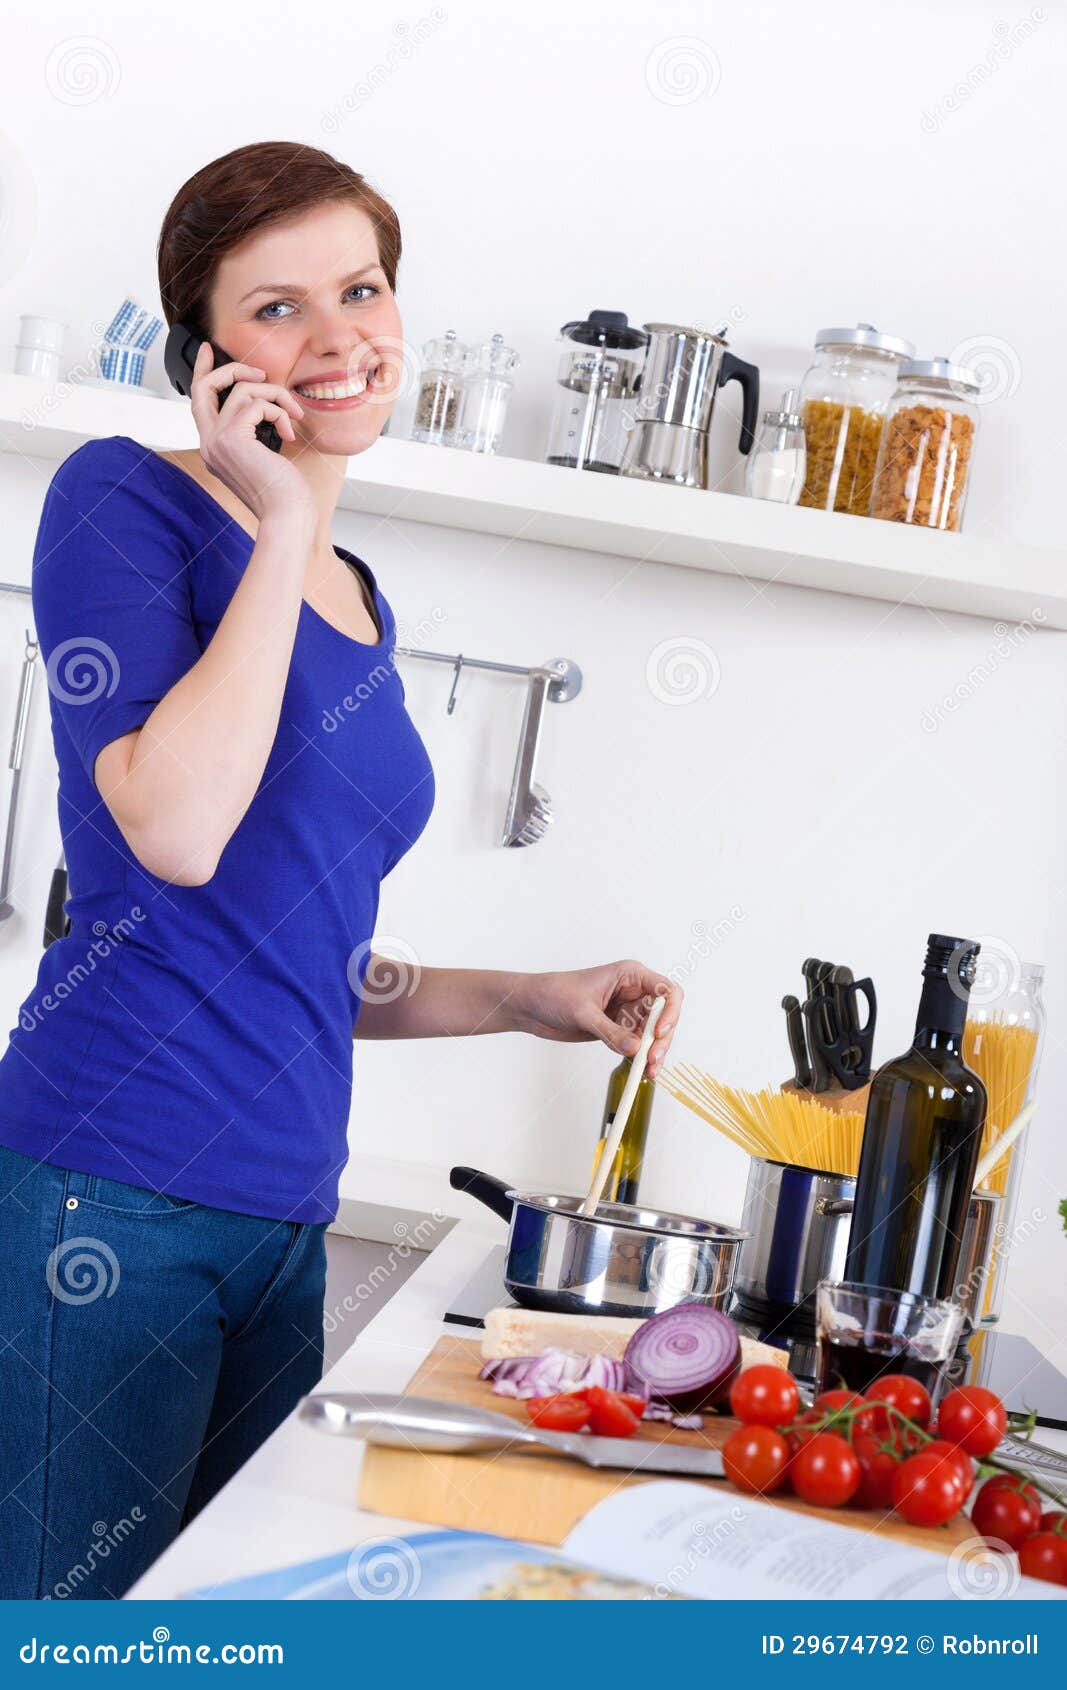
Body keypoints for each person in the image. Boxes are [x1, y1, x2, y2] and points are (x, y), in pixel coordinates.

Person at [0, 141, 682, 1598]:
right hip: (112, 1193)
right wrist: (285, 513)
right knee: (64, 1632)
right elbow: (173, 836)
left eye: (361, 290)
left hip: (280, 1223)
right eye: (276, 308)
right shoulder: (122, 502)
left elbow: (296, 953)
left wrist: (526, 994)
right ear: (204, 354)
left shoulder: (362, 599)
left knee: (214, 1625)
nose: (335, 338)